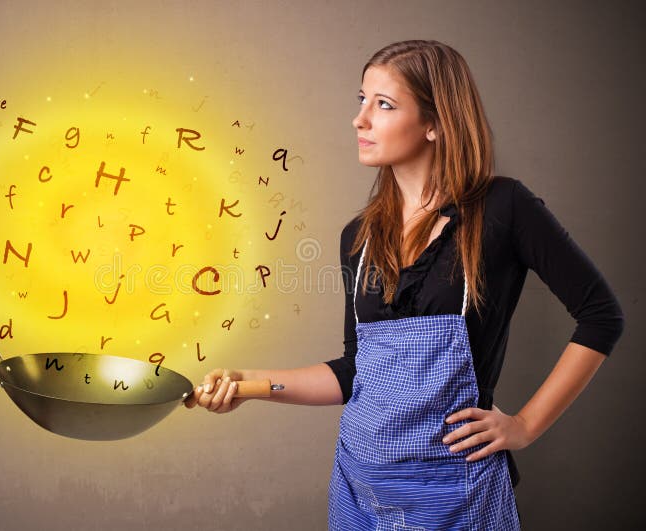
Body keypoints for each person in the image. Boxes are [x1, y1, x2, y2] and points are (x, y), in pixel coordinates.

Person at [184, 39, 624, 530]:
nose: (360, 120)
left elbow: (601, 316)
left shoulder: (503, 209)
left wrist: (524, 426)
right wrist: (252, 384)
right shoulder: (359, 237)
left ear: (436, 123)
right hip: (359, 487)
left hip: (455, 493)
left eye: (384, 104)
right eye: (362, 101)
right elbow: (357, 372)